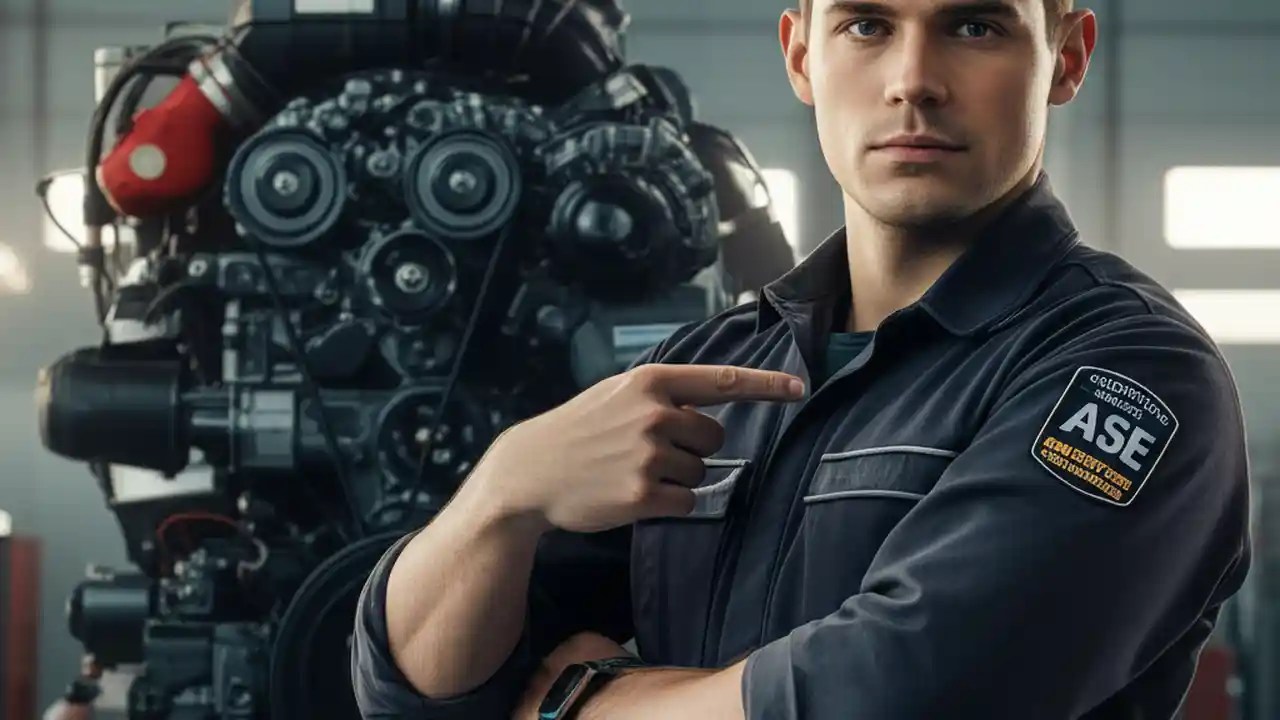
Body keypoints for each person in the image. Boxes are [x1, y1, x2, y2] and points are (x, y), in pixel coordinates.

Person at [351, 0, 1252, 717]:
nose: (913, 80)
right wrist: (503, 491)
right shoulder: (707, 367)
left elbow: (907, 693)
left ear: (1066, 56)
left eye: (974, 25)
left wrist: (580, 710)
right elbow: (418, 692)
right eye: (866, 24)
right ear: (799, 55)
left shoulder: (1129, 371)